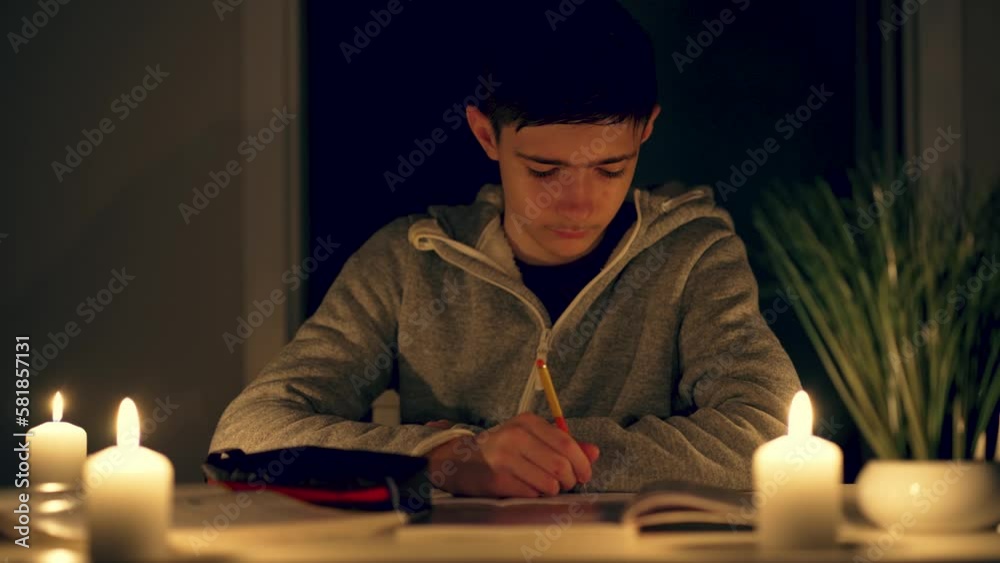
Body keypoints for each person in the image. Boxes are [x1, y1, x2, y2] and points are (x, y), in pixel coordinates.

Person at [209, 0, 801, 497]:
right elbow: (248, 430)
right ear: (485, 134)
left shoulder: (694, 255)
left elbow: (774, 437)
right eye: (545, 171)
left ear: (647, 129)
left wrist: (547, 457)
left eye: (610, 168)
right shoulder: (410, 260)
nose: (580, 204)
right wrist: (446, 456)